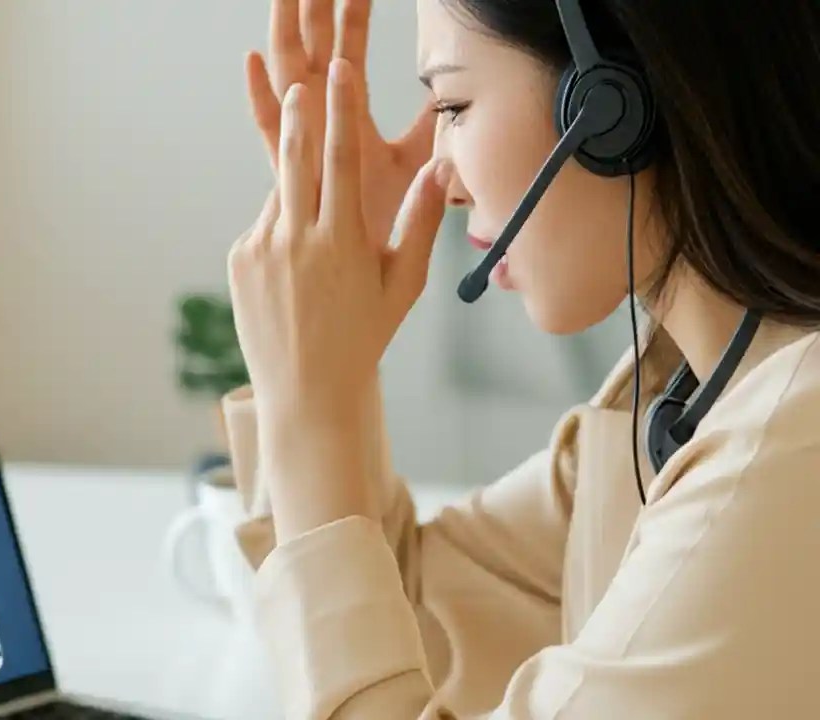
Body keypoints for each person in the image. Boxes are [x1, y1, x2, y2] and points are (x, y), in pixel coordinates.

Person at [220, 0, 820, 717]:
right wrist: (319, 342)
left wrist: (310, 412)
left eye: (453, 104)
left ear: (609, 103)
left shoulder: (786, 452)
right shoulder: (682, 400)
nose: (440, 178)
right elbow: (420, 606)